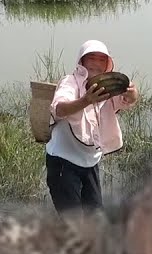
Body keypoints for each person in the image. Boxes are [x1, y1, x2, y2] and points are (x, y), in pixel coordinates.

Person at [44, 39, 139, 212]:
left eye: (101, 59)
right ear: (82, 61)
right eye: (91, 58)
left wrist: (132, 94)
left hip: (90, 162)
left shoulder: (108, 87)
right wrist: (86, 100)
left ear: (107, 65)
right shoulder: (70, 82)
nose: (96, 62)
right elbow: (59, 108)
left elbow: (126, 100)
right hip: (63, 161)